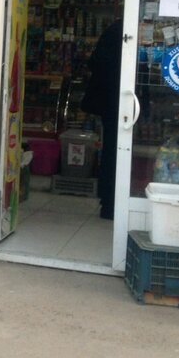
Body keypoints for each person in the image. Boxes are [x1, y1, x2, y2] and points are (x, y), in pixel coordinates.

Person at [81, 18, 123, 220]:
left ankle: (109, 202)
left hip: (111, 102)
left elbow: (93, 62)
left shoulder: (113, 29)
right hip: (118, 102)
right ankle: (112, 204)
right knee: (116, 153)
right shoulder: (122, 30)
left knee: (111, 151)